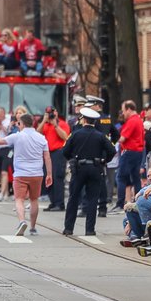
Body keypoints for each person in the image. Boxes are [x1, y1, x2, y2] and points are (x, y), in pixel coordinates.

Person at [0, 113, 53, 236]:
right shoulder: (41, 137)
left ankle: (22, 221)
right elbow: (47, 157)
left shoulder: (17, 136)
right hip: (37, 173)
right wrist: (49, 174)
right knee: (34, 199)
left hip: (20, 174)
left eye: (19, 123)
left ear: (22, 124)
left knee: (19, 199)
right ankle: (33, 228)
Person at [61, 108, 116, 236]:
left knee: (73, 198)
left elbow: (65, 151)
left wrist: (72, 159)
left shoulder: (76, 134)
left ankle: (68, 228)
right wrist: (104, 160)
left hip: (79, 169)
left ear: (84, 119)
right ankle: (90, 230)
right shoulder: (100, 136)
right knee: (93, 199)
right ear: (95, 122)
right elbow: (112, 151)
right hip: (96, 168)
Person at [85, 95, 119, 216]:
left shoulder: (94, 119)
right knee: (102, 180)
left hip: (93, 153)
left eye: (91, 105)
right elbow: (116, 134)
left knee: (92, 181)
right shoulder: (107, 119)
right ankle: (103, 207)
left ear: (97, 106)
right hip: (103, 153)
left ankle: (89, 206)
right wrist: (110, 145)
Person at [115, 100, 145, 211]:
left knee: (121, 177)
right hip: (137, 152)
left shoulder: (132, 121)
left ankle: (119, 203)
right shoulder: (139, 120)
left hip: (129, 152)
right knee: (135, 178)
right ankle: (138, 201)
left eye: (123, 110)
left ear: (128, 109)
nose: (123, 113)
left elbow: (122, 138)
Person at [40, 107, 70, 212]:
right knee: (47, 177)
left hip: (58, 152)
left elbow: (65, 137)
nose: (51, 114)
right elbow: (38, 133)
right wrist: (44, 121)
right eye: (49, 113)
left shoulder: (62, 124)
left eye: (53, 112)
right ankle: (53, 202)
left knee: (57, 177)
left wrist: (55, 125)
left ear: (57, 113)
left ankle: (60, 203)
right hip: (47, 153)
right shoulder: (46, 124)